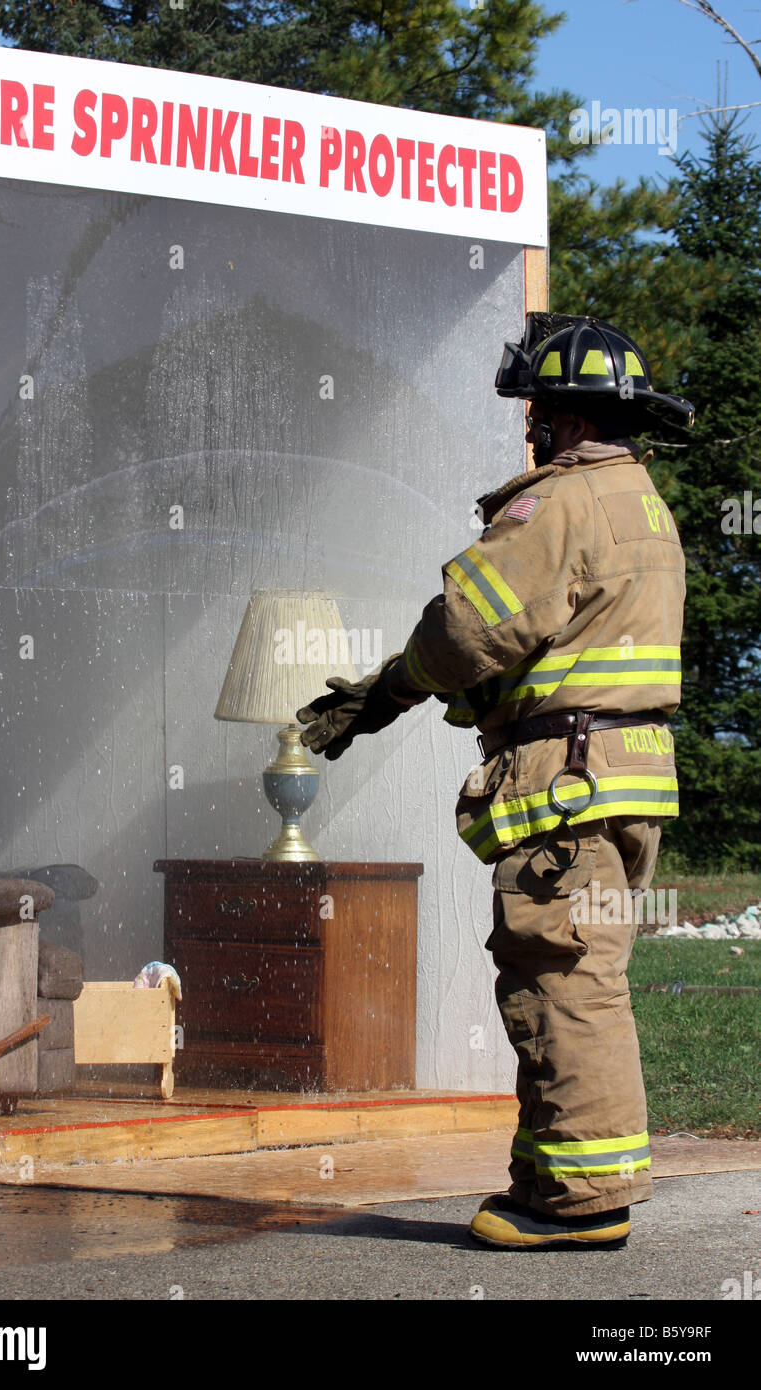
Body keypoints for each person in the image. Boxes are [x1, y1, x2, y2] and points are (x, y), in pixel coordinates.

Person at [296, 313, 695, 1250]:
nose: (529, 431)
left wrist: (388, 690)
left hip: (569, 785)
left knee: (562, 983)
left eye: (535, 414)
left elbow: (466, 631)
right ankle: (558, 1180)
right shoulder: (646, 504)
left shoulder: (559, 504)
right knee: (589, 979)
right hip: (625, 784)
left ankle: (577, 1206)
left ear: (560, 418)